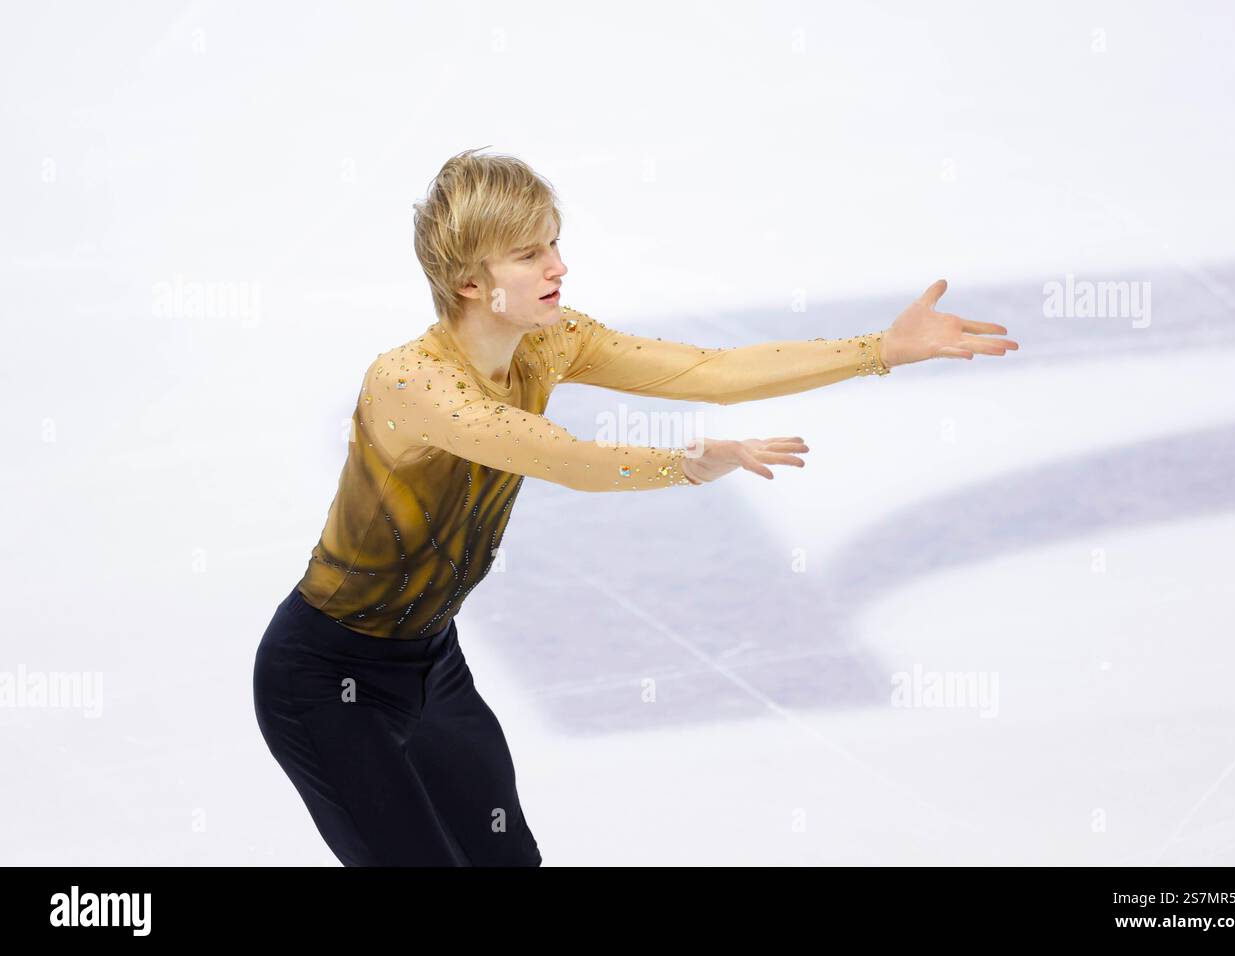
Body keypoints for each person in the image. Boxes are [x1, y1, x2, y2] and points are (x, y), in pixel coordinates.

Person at [251, 147, 1019, 867]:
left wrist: (879, 349)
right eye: (528, 254)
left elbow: (706, 370)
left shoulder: (549, 342)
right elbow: (556, 455)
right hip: (324, 678)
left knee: (507, 860)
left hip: (431, 664)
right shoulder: (410, 381)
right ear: (469, 284)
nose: (557, 265)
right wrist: (681, 464)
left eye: (553, 242)